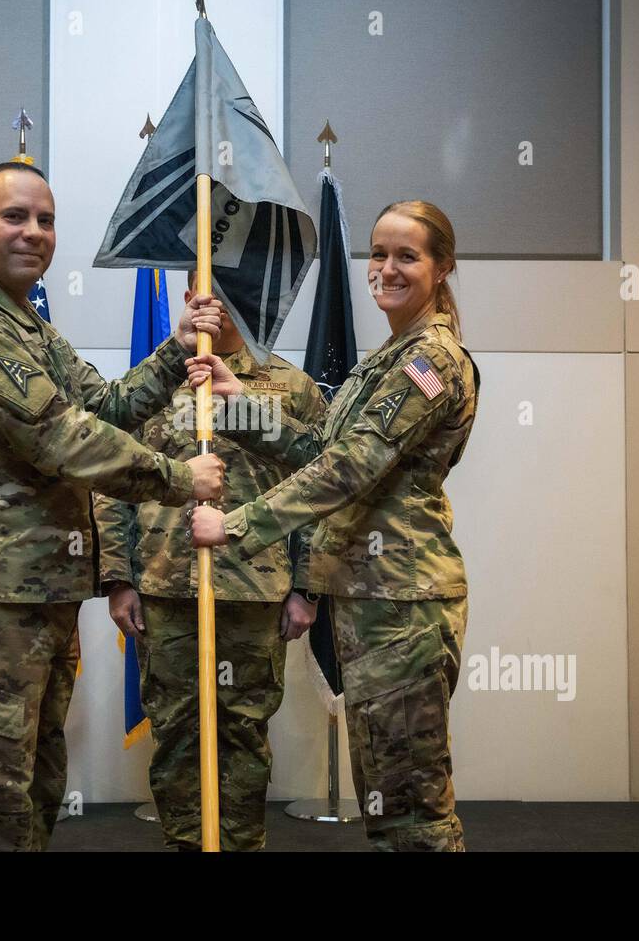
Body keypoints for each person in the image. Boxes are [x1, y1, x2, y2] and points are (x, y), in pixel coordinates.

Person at [0, 161, 225, 851]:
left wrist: (174, 351)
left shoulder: (28, 330)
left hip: (37, 602)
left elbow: (104, 407)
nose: (34, 232)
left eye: (45, 220)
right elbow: (62, 439)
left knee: (29, 804)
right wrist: (179, 477)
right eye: (14, 216)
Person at [187, 200, 481, 852]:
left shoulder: (429, 362)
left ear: (443, 267)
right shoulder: (393, 354)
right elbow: (325, 445)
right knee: (392, 804)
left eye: (407, 255)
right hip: (372, 600)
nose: (387, 267)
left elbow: (350, 467)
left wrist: (234, 527)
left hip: (402, 604)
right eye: (378, 253)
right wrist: (240, 405)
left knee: (411, 814)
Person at [94, 273, 328, 851]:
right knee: (176, 731)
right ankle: (185, 844)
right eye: (206, 288)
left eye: (231, 287)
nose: (217, 302)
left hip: (255, 591)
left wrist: (308, 588)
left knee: (243, 734)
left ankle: (241, 844)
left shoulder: (288, 386)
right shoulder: (154, 384)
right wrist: (118, 580)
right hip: (166, 588)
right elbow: (110, 481)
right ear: (187, 297)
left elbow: (321, 490)